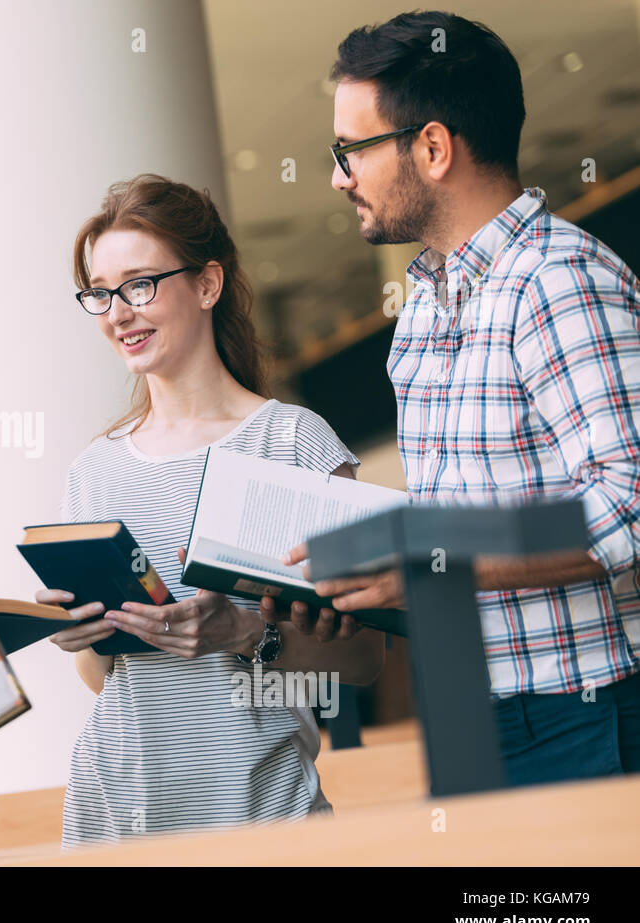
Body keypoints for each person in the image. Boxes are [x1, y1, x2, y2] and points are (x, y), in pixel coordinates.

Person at [301, 10, 640, 785]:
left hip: (578, 711)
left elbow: (628, 504)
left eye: (349, 150)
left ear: (432, 147)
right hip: (461, 703)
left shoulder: (558, 281)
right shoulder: (423, 303)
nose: (336, 176)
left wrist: (428, 563)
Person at [38, 174, 386, 848]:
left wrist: (246, 633)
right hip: (116, 822)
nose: (118, 312)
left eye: (140, 284)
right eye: (102, 293)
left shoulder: (292, 443)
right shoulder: (95, 472)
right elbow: (102, 680)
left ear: (206, 284)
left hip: (263, 817)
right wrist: (83, 638)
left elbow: (364, 660)